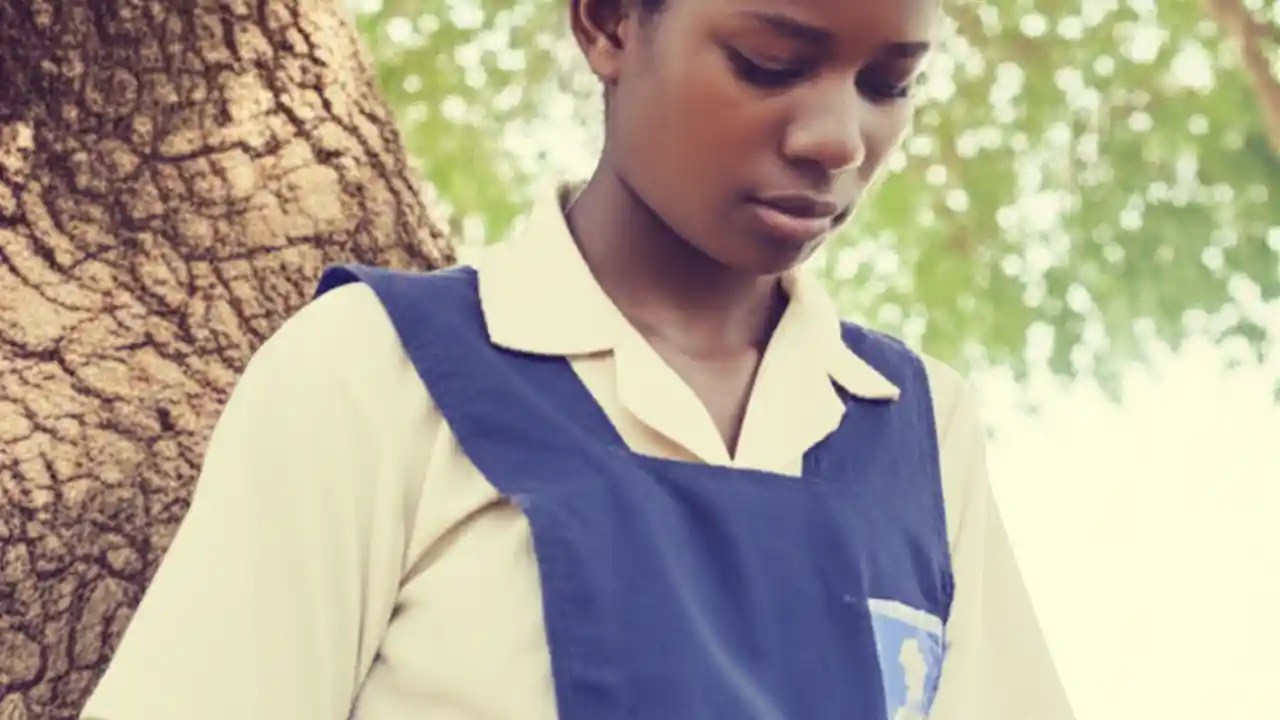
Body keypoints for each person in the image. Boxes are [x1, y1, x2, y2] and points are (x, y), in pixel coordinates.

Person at [81, 0, 1076, 718]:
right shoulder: (375, 375)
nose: (836, 140)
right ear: (604, 23)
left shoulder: (914, 428)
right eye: (770, 62)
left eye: (887, 84)